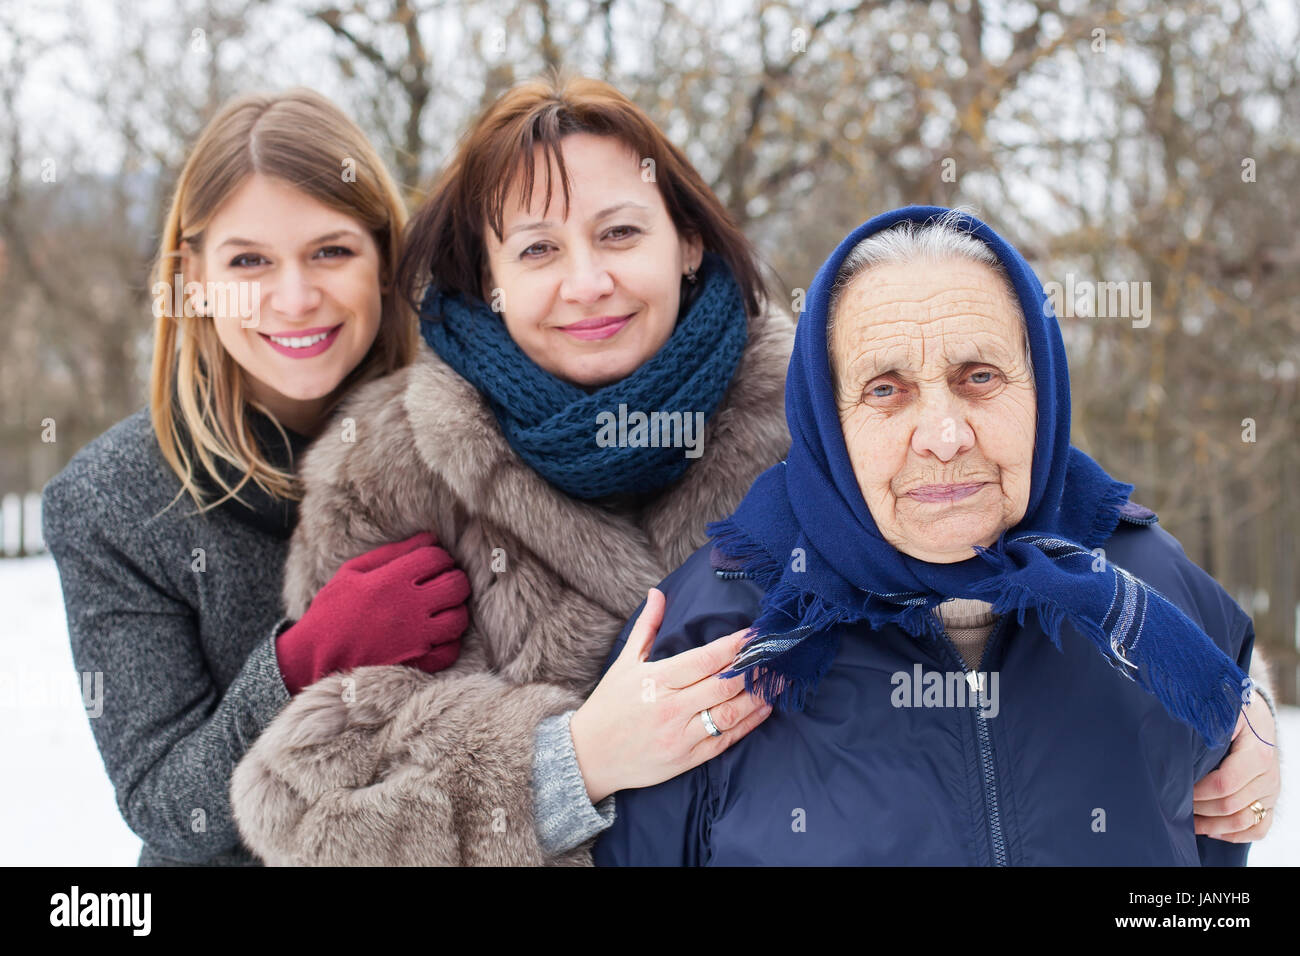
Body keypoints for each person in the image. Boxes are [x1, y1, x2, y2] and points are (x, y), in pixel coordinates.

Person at [594, 206, 1280, 866]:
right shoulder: (706, 639)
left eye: (979, 377)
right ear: (826, 421)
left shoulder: (1152, 594)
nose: (945, 438)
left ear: (1042, 388)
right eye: (886, 391)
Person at [227, 73, 793, 865]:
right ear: (488, 279)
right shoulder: (389, 463)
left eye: (621, 233)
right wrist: (574, 762)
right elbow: (307, 810)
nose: (587, 282)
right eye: (537, 249)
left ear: (687, 239)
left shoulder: (819, 420)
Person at [41, 89, 471, 866]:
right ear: (194, 277)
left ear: (384, 261)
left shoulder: (466, 433)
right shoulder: (111, 501)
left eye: (331, 251)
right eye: (249, 261)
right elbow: (167, 807)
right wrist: (304, 663)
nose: (295, 297)